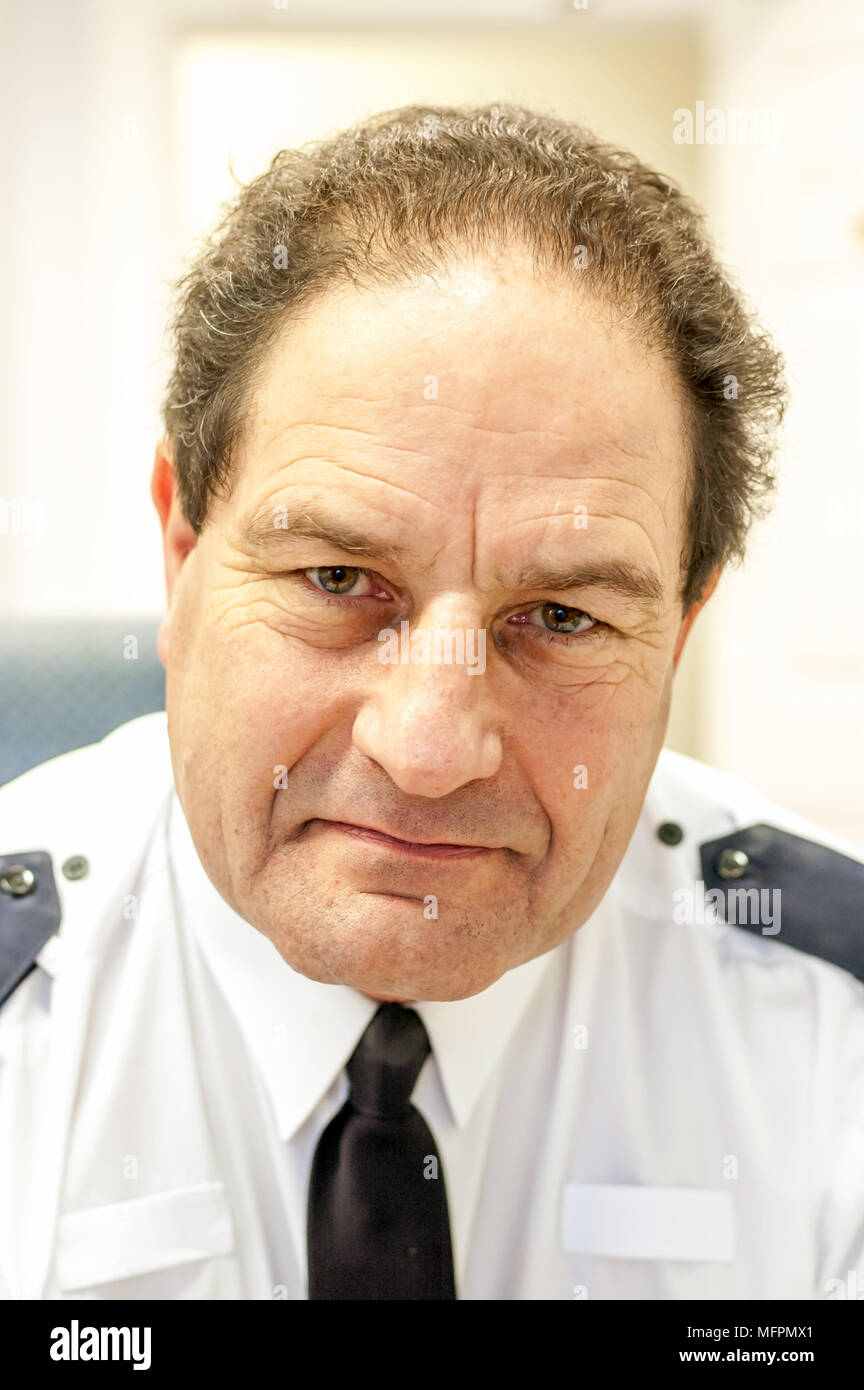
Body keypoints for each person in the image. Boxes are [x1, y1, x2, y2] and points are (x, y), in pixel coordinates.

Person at [1, 103, 862, 1302]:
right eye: (338, 580)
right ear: (182, 545)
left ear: (681, 629)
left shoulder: (834, 1033)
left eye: (561, 618)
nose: (427, 747)